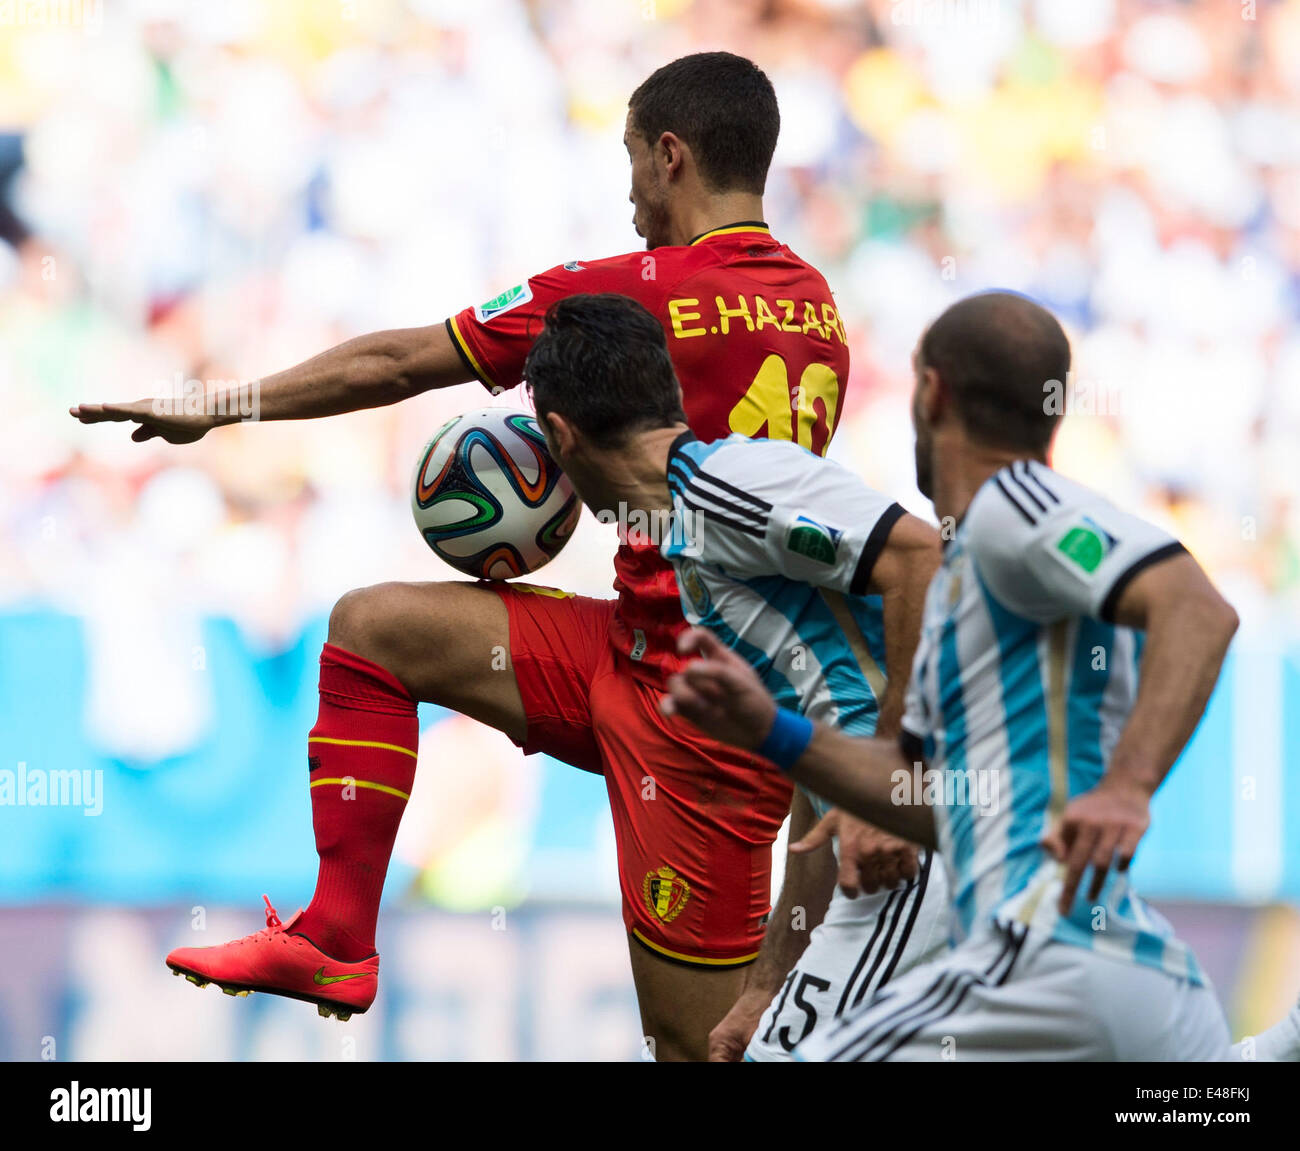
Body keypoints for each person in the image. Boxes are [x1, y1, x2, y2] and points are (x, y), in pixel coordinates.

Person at [70, 52, 852, 1060]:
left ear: (671, 155)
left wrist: (221, 405)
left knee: (696, 1048)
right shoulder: (817, 307)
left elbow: (398, 363)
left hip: (702, 728)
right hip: (634, 647)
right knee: (374, 629)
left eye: (630, 163)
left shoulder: (621, 298)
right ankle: (337, 938)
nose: (626, 197)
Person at [662, 290, 1289, 1060]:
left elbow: (1198, 609)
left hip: (1043, 957)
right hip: (1134, 975)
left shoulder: (1014, 507)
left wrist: (1129, 784)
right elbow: (932, 802)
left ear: (932, 392)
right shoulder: (971, 578)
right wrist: (772, 728)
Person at [522, 291, 953, 1062]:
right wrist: (764, 984)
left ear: (561, 434)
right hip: (892, 834)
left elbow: (922, 555)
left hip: (922, 830)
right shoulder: (693, 547)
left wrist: (893, 780)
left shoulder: (731, 484)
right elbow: (816, 777)